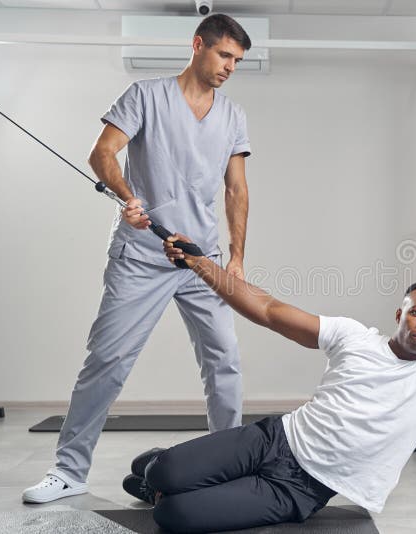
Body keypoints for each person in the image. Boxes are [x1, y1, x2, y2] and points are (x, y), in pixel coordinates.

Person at [120, 180, 416, 533]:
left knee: (172, 514)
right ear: (400, 315)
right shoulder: (353, 337)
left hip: (298, 489)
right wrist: (198, 263)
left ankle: (165, 483)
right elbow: (269, 311)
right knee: (163, 472)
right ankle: (162, 471)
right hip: (274, 439)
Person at [23, 14, 253, 504]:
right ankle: (68, 470)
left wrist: (235, 258)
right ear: (197, 46)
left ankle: (226, 465)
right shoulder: (145, 95)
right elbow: (102, 154)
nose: (230, 67)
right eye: (224, 55)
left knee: (225, 362)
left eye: (237, 60)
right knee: (107, 360)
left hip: (200, 260)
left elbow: (236, 189)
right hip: (142, 256)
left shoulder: (232, 115)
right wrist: (127, 196)